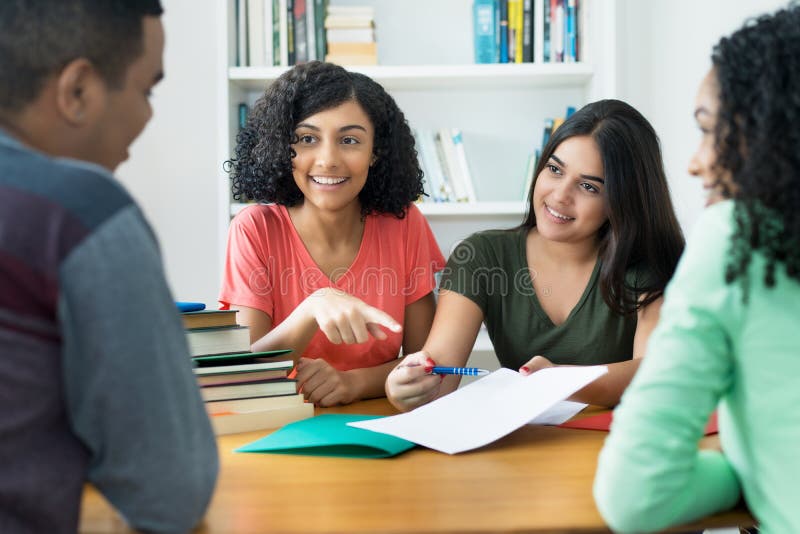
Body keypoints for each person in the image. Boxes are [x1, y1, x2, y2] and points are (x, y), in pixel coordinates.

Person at [0, 1, 218, 532]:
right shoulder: (83, 213)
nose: (148, 116)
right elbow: (170, 493)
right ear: (77, 91)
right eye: (147, 91)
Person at [594, 5, 800, 533]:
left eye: (711, 131)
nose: (695, 162)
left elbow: (636, 497)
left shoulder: (738, 239)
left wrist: (741, 475)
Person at [386, 99, 685, 411]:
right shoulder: (480, 256)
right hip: (527, 440)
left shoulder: (646, 266)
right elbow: (437, 380)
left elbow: (655, 373)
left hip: (617, 439)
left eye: (589, 187)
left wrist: (558, 380)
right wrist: (408, 387)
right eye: (554, 170)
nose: (560, 195)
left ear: (623, 200)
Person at [219, 61, 445, 407]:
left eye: (349, 140)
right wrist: (313, 307)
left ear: (376, 152)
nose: (328, 160)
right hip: (282, 424)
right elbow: (246, 375)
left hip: (382, 422)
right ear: (282, 147)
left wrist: (353, 383)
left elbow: (426, 362)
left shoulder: (404, 224)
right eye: (307, 139)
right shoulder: (255, 229)